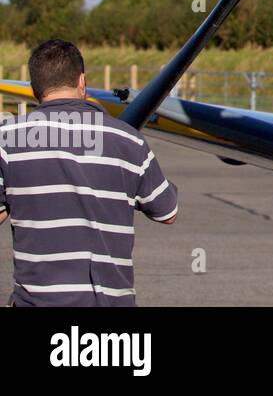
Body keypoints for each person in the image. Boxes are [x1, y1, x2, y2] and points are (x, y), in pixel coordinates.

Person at [0, 39, 178, 306]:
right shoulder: (128, 140)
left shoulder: (7, 139)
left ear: (35, 88)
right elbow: (167, 212)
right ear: (81, 81)